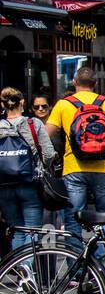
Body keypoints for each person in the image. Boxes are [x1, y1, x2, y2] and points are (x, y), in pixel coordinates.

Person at [45, 64, 105, 248]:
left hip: (74, 169)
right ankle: (102, 265)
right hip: (104, 169)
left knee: (73, 219)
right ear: (95, 84)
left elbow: (45, 134)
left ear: (74, 82)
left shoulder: (63, 105)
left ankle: (77, 268)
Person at [0, 86, 55, 250]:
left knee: (17, 231)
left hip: (4, 187)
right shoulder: (33, 123)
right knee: (32, 232)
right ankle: (27, 268)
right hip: (29, 184)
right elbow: (49, 153)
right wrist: (43, 167)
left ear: (3, 105)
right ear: (22, 103)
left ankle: (21, 269)